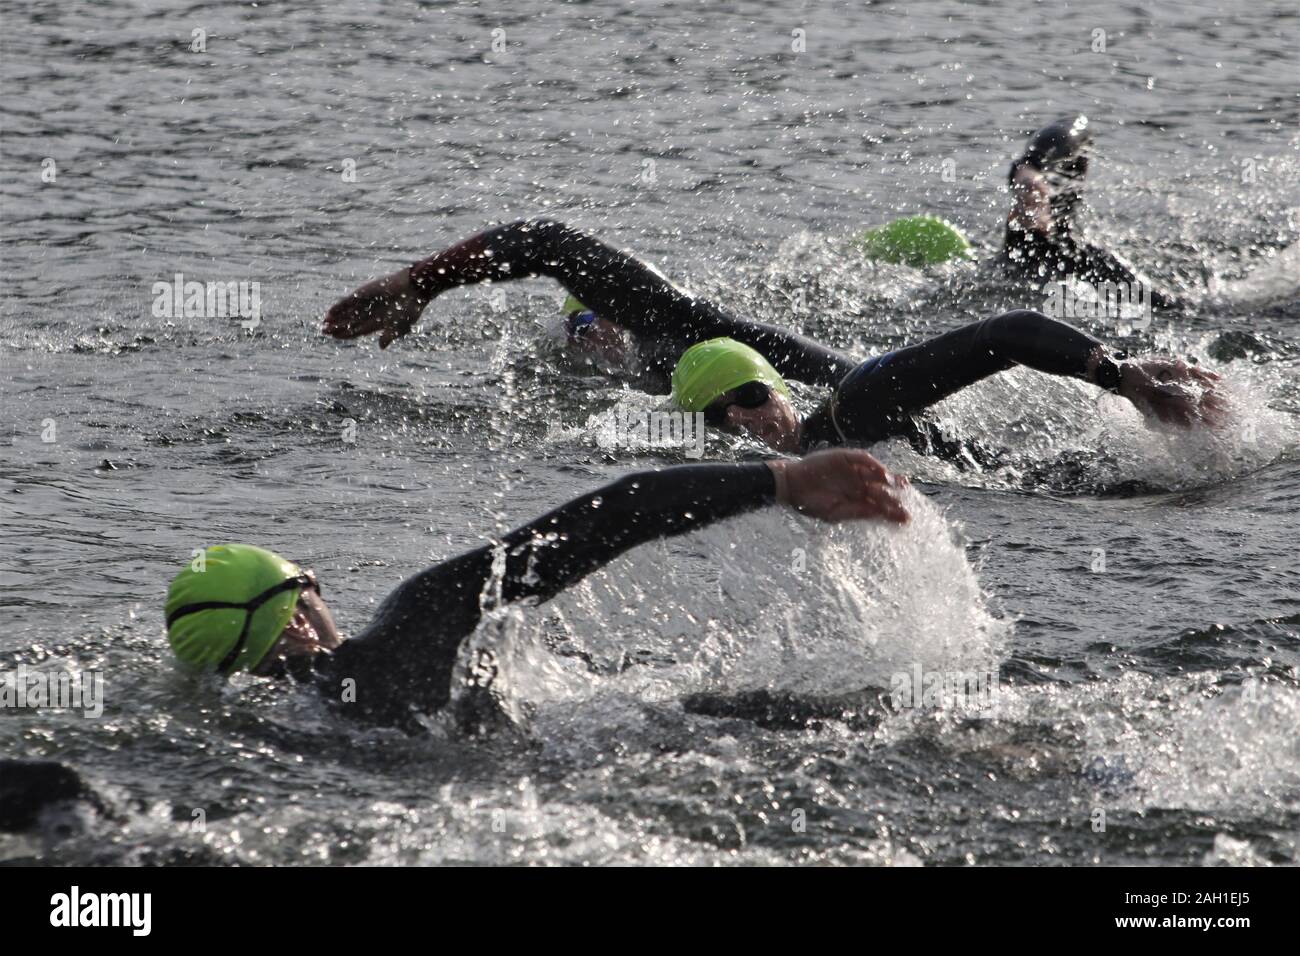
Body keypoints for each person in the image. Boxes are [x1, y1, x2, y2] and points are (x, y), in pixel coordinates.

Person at [322, 220, 1224, 463]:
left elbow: (539, 241)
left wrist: (414, 284)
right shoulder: (652, 415)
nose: (751, 422)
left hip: (849, 377)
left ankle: (1039, 230)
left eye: (753, 401)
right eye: (729, 414)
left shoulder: (823, 396)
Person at [164, 450, 909, 731]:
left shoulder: (266, 726)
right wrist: (779, 480)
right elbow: (616, 514)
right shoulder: (410, 631)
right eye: (310, 586)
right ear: (294, 616)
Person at [1002, 114, 1183, 309]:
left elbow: (1076, 125)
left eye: (1032, 197)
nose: (1029, 205)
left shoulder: (1074, 256)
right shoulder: (1010, 256)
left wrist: (1030, 166)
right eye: (1026, 198)